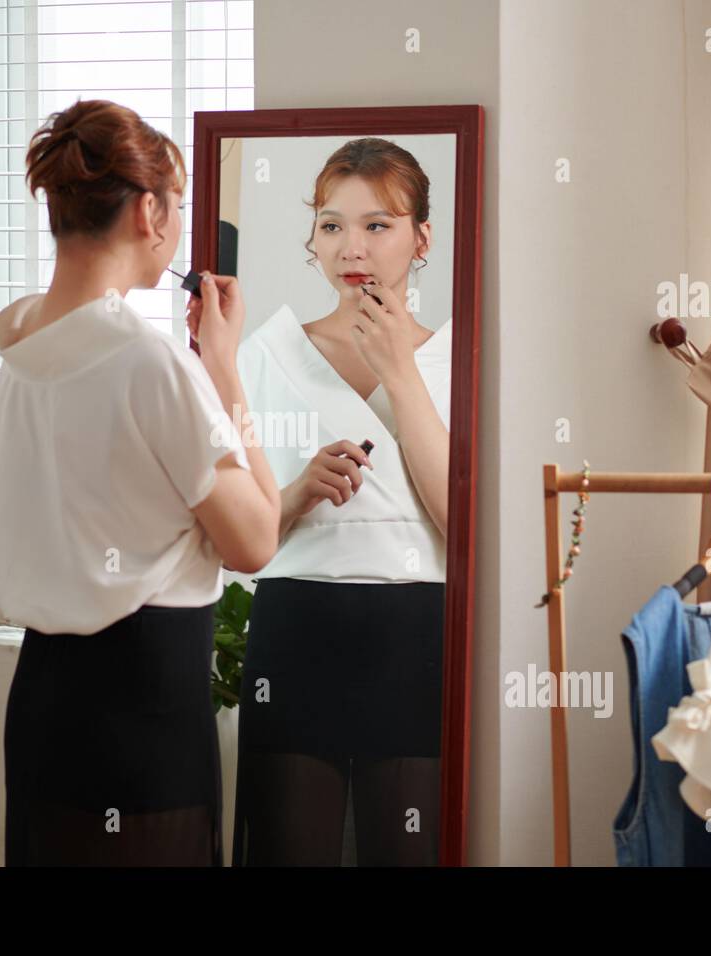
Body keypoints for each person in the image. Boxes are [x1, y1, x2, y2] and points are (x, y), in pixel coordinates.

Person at [0, 99, 281, 866]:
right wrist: (224, 367)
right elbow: (255, 540)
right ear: (148, 211)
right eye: (176, 206)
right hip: (144, 715)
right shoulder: (149, 361)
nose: (178, 225)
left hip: (43, 705)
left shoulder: (22, 347)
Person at [232, 138, 452, 865]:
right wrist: (297, 493)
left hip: (415, 633)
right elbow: (240, 535)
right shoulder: (264, 355)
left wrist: (402, 371)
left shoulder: (459, 356)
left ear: (422, 238)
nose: (350, 246)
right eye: (331, 225)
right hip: (297, 628)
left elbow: (463, 527)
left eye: (376, 225)